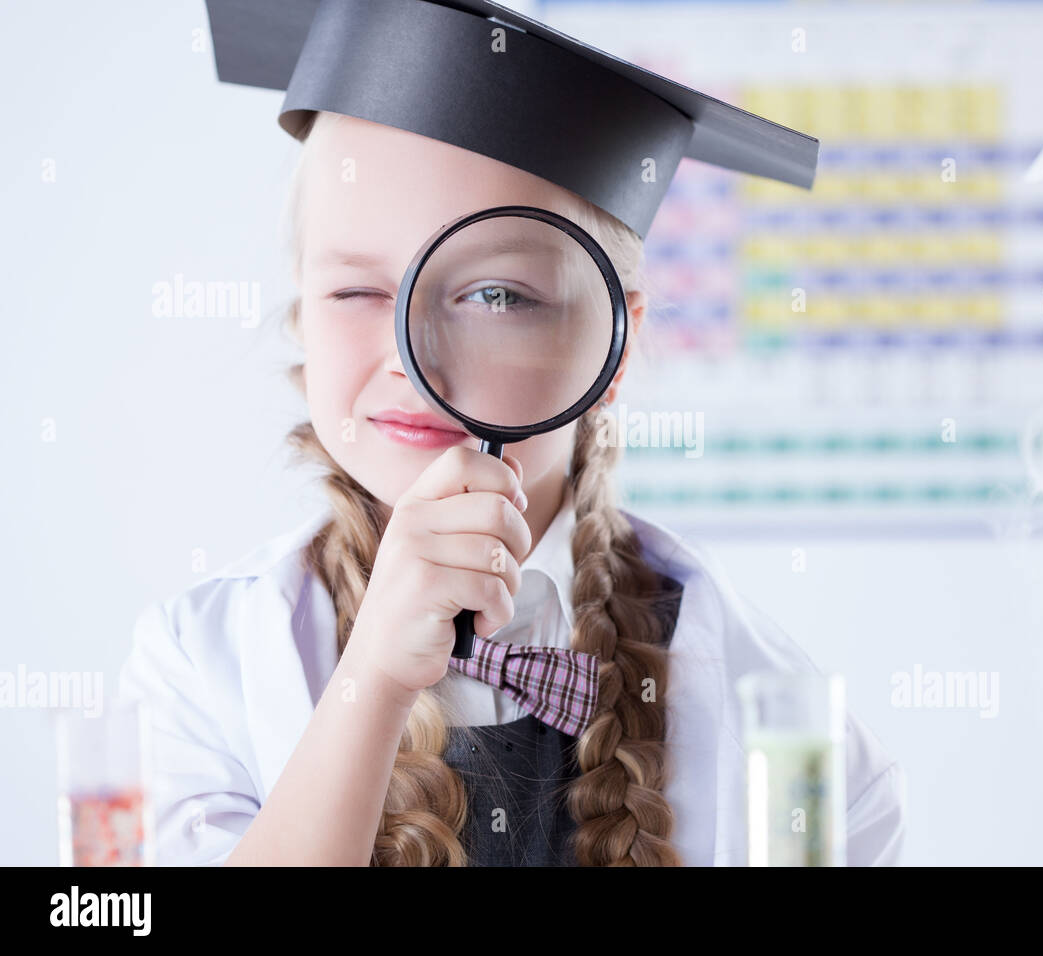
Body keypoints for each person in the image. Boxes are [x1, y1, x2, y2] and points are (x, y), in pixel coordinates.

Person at [118, 0, 906, 866]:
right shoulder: (200, 667)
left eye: (494, 295)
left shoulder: (786, 727)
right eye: (354, 292)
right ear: (302, 314)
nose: (406, 357)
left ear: (616, 341)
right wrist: (375, 678)